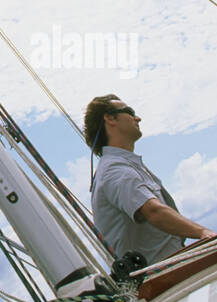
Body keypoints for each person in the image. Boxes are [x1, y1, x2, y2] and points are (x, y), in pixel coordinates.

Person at [83, 94, 216, 264]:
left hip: (172, 268)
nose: (137, 118)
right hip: (162, 278)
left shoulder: (125, 166)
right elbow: (153, 211)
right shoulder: (114, 171)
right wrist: (204, 233)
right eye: (129, 112)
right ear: (110, 119)